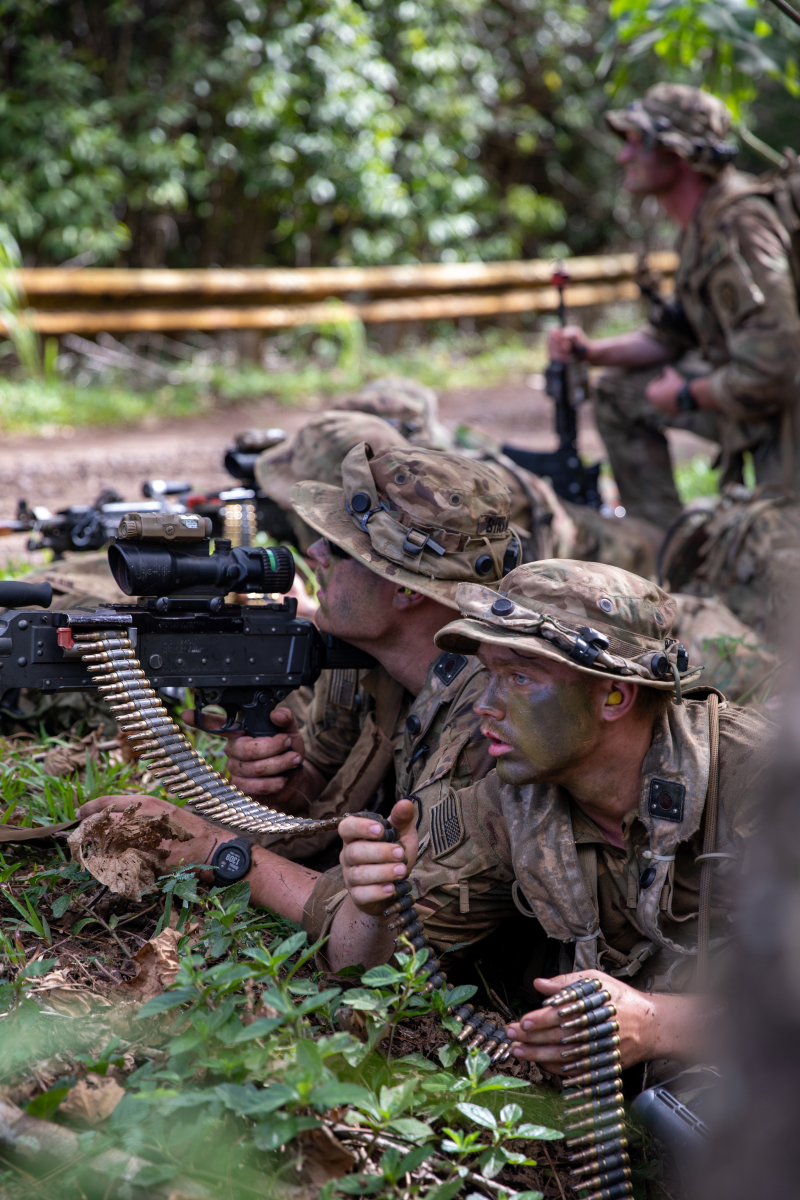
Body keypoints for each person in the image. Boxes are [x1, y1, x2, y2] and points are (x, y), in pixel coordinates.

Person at [333, 559, 771, 1071]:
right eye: (490, 674)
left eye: (519, 677)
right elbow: (363, 972)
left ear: (614, 695)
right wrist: (372, 908)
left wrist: (657, 1025)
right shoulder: (513, 799)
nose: (486, 705)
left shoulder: (760, 781)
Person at [78, 442, 518, 920]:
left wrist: (212, 849)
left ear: (407, 588)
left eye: (340, 548)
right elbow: (328, 780)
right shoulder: (362, 653)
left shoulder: (495, 715)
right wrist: (288, 787)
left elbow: (403, 927)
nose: (314, 552)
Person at [548, 84, 800, 530]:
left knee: (776, 558)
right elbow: (673, 335)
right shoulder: (702, 226)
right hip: (757, 391)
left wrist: (686, 395)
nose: (623, 156)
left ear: (676, 152)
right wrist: (591, 351)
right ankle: (659, 540)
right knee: (617, 391)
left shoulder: (738, 226)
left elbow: (775, 366)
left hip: (784, 407)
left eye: (635, 142)